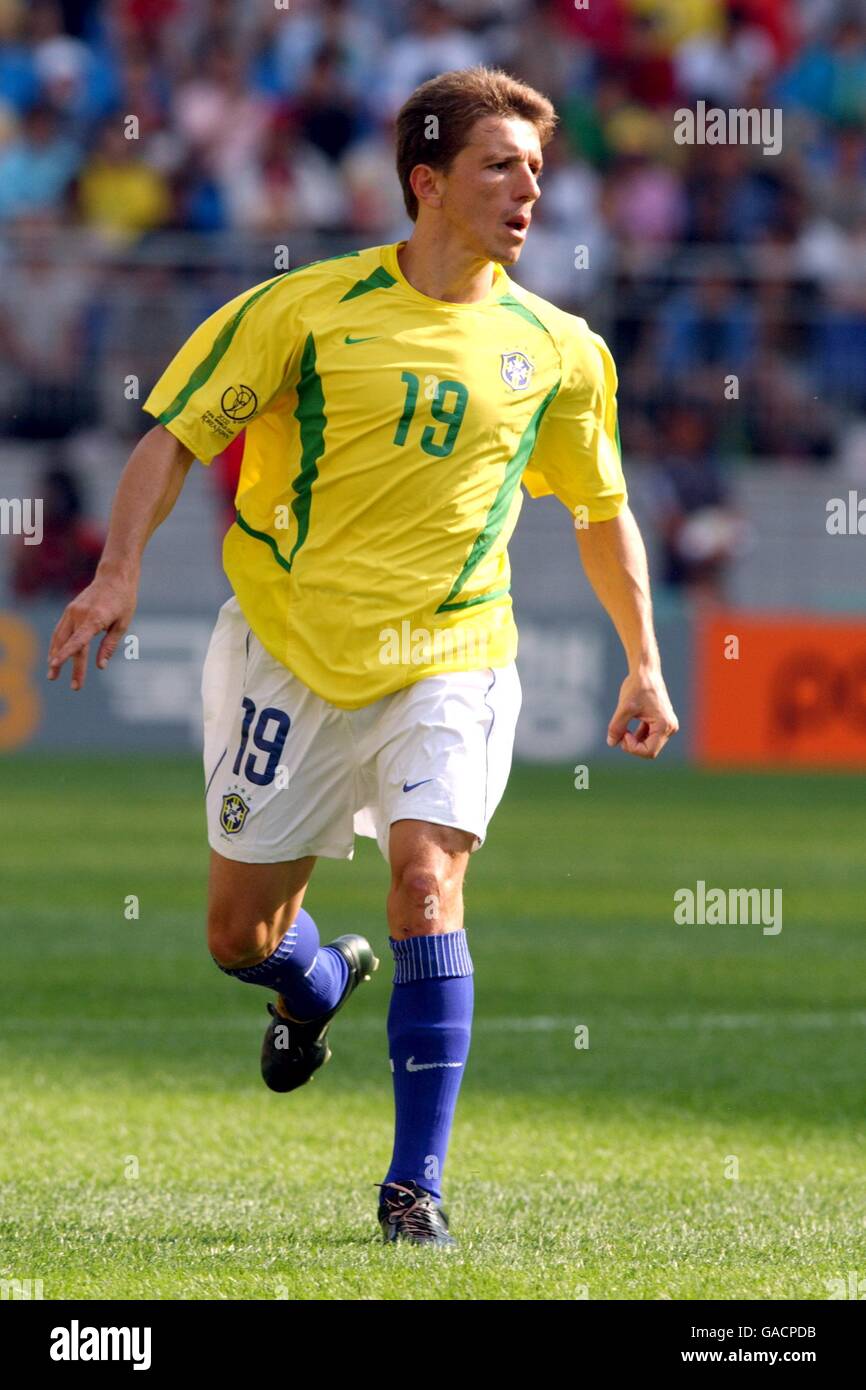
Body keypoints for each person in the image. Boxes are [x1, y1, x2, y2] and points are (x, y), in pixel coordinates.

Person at [47, 66, 678, 1248]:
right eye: (499, 164)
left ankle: (413, 1192)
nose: (526, 187)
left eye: (537, 168)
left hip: (449, 654)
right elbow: (175, 436)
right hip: (286, 653)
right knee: (237, 934)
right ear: (424, 182)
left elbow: (600, 512)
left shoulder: (558, 349)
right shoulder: (299, 312)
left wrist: (642, 659)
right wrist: (118, 568)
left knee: (426, 878)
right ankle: (314, 981)